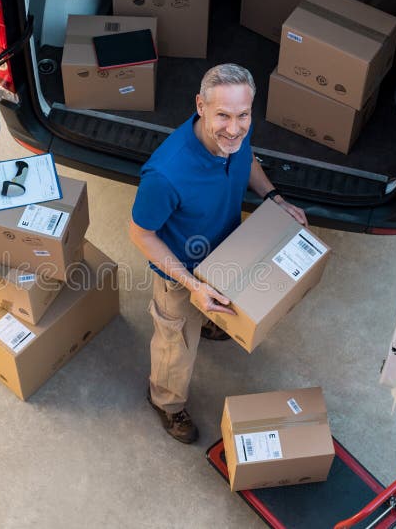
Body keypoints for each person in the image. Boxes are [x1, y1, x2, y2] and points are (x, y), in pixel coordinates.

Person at [129, 64, 308, 444]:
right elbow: (140, 233)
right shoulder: (166, 175)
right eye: (223, 116)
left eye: (243, 115)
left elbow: (247, 158)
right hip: (180, 273)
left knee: (217, 305)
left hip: (224, 253)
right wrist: (193, 285)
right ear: (200, 106)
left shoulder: (237, 133)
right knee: (176, 345)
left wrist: (274, 198)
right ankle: (165, 401)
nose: (234, 128)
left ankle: (209, 319)